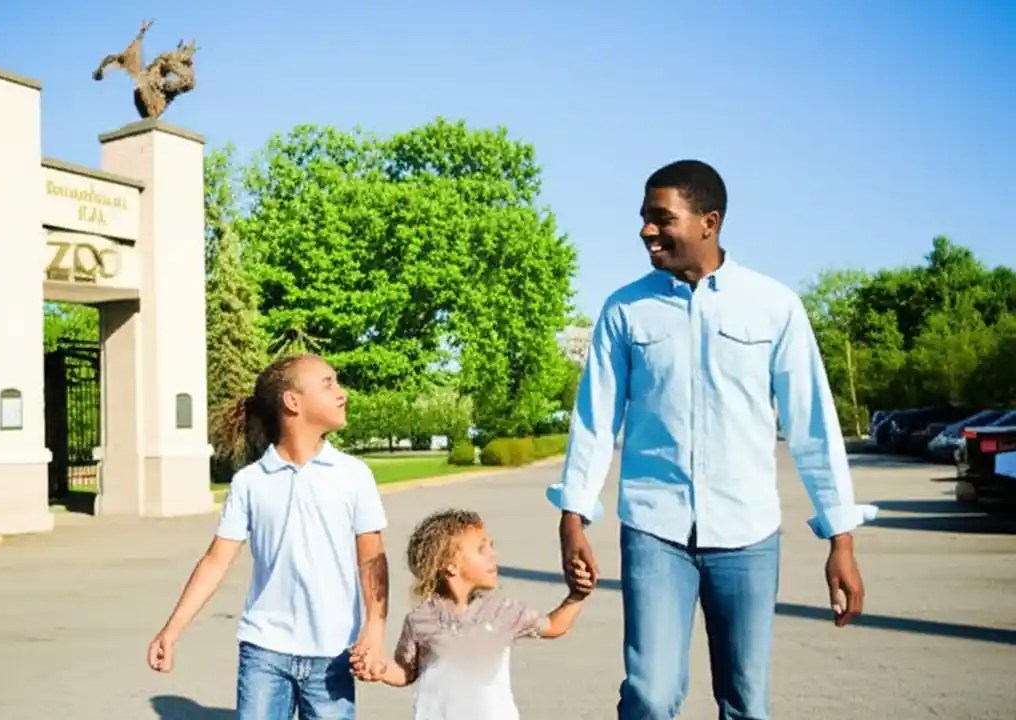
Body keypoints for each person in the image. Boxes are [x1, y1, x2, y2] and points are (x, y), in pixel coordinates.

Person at [547, 159, 878, 719]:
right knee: (650, 695)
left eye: (660, 217)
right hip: (655, 529)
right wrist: (573, 516)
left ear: (709, 221)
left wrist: (841, 541)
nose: (646, 231)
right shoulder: (625, 310)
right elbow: (595, 419)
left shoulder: (773, 306)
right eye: (644, 218)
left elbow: (812, 424)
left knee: (745, 703)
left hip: (747, 535)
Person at [146, 353, 391, 720]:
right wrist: (172, 629)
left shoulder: (354, 475)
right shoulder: (250, 482)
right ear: (292, 401)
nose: (342, 393)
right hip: (264, 650)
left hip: (334, 653)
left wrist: (374, 629)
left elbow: (371, 558)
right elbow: (216, 561)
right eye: (328, 384)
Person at [350, 508, 590, 720]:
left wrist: (577, 595)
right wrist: (379, 668)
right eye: (481, 549)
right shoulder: (420, 620)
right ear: (449, 565)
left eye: (491, 547)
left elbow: (554, 625)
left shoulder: (502, 612)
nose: (493, 555)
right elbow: (406, 673)